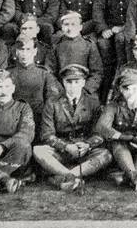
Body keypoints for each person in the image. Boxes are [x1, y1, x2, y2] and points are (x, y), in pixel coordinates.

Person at [31, 64, 111, 192]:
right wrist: (66, 147)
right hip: (61, 149)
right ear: (63, 82)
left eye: (77, 82)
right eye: (69, 82)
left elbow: (99, 133)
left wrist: (88, 145)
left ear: (83, 82)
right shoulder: (52, 103)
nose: (73, 86)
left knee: (105, 155)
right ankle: (72, 176)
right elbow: (46, 135)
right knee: (38, 150)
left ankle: (63, 176)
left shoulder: (93, 102)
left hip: (83, 148)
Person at [48, 10, 105, 98]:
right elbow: (49, 72)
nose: (70, 28)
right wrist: (60, 90)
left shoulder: (89, 45)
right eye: (66, 24)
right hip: (61, 91)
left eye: (73, 24)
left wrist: (85, 90)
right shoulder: (56, 46)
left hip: (85, 92)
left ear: (80, 27)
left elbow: (97, 72)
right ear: (62, 27)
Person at [8, 38, 58, 123]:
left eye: (28, 49)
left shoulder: (44, 75)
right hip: (13, 120)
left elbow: (52, 101)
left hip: (38, 120)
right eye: (22, 49)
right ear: (16, 52)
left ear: (35, 51)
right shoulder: (8, 74)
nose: (25, 54)